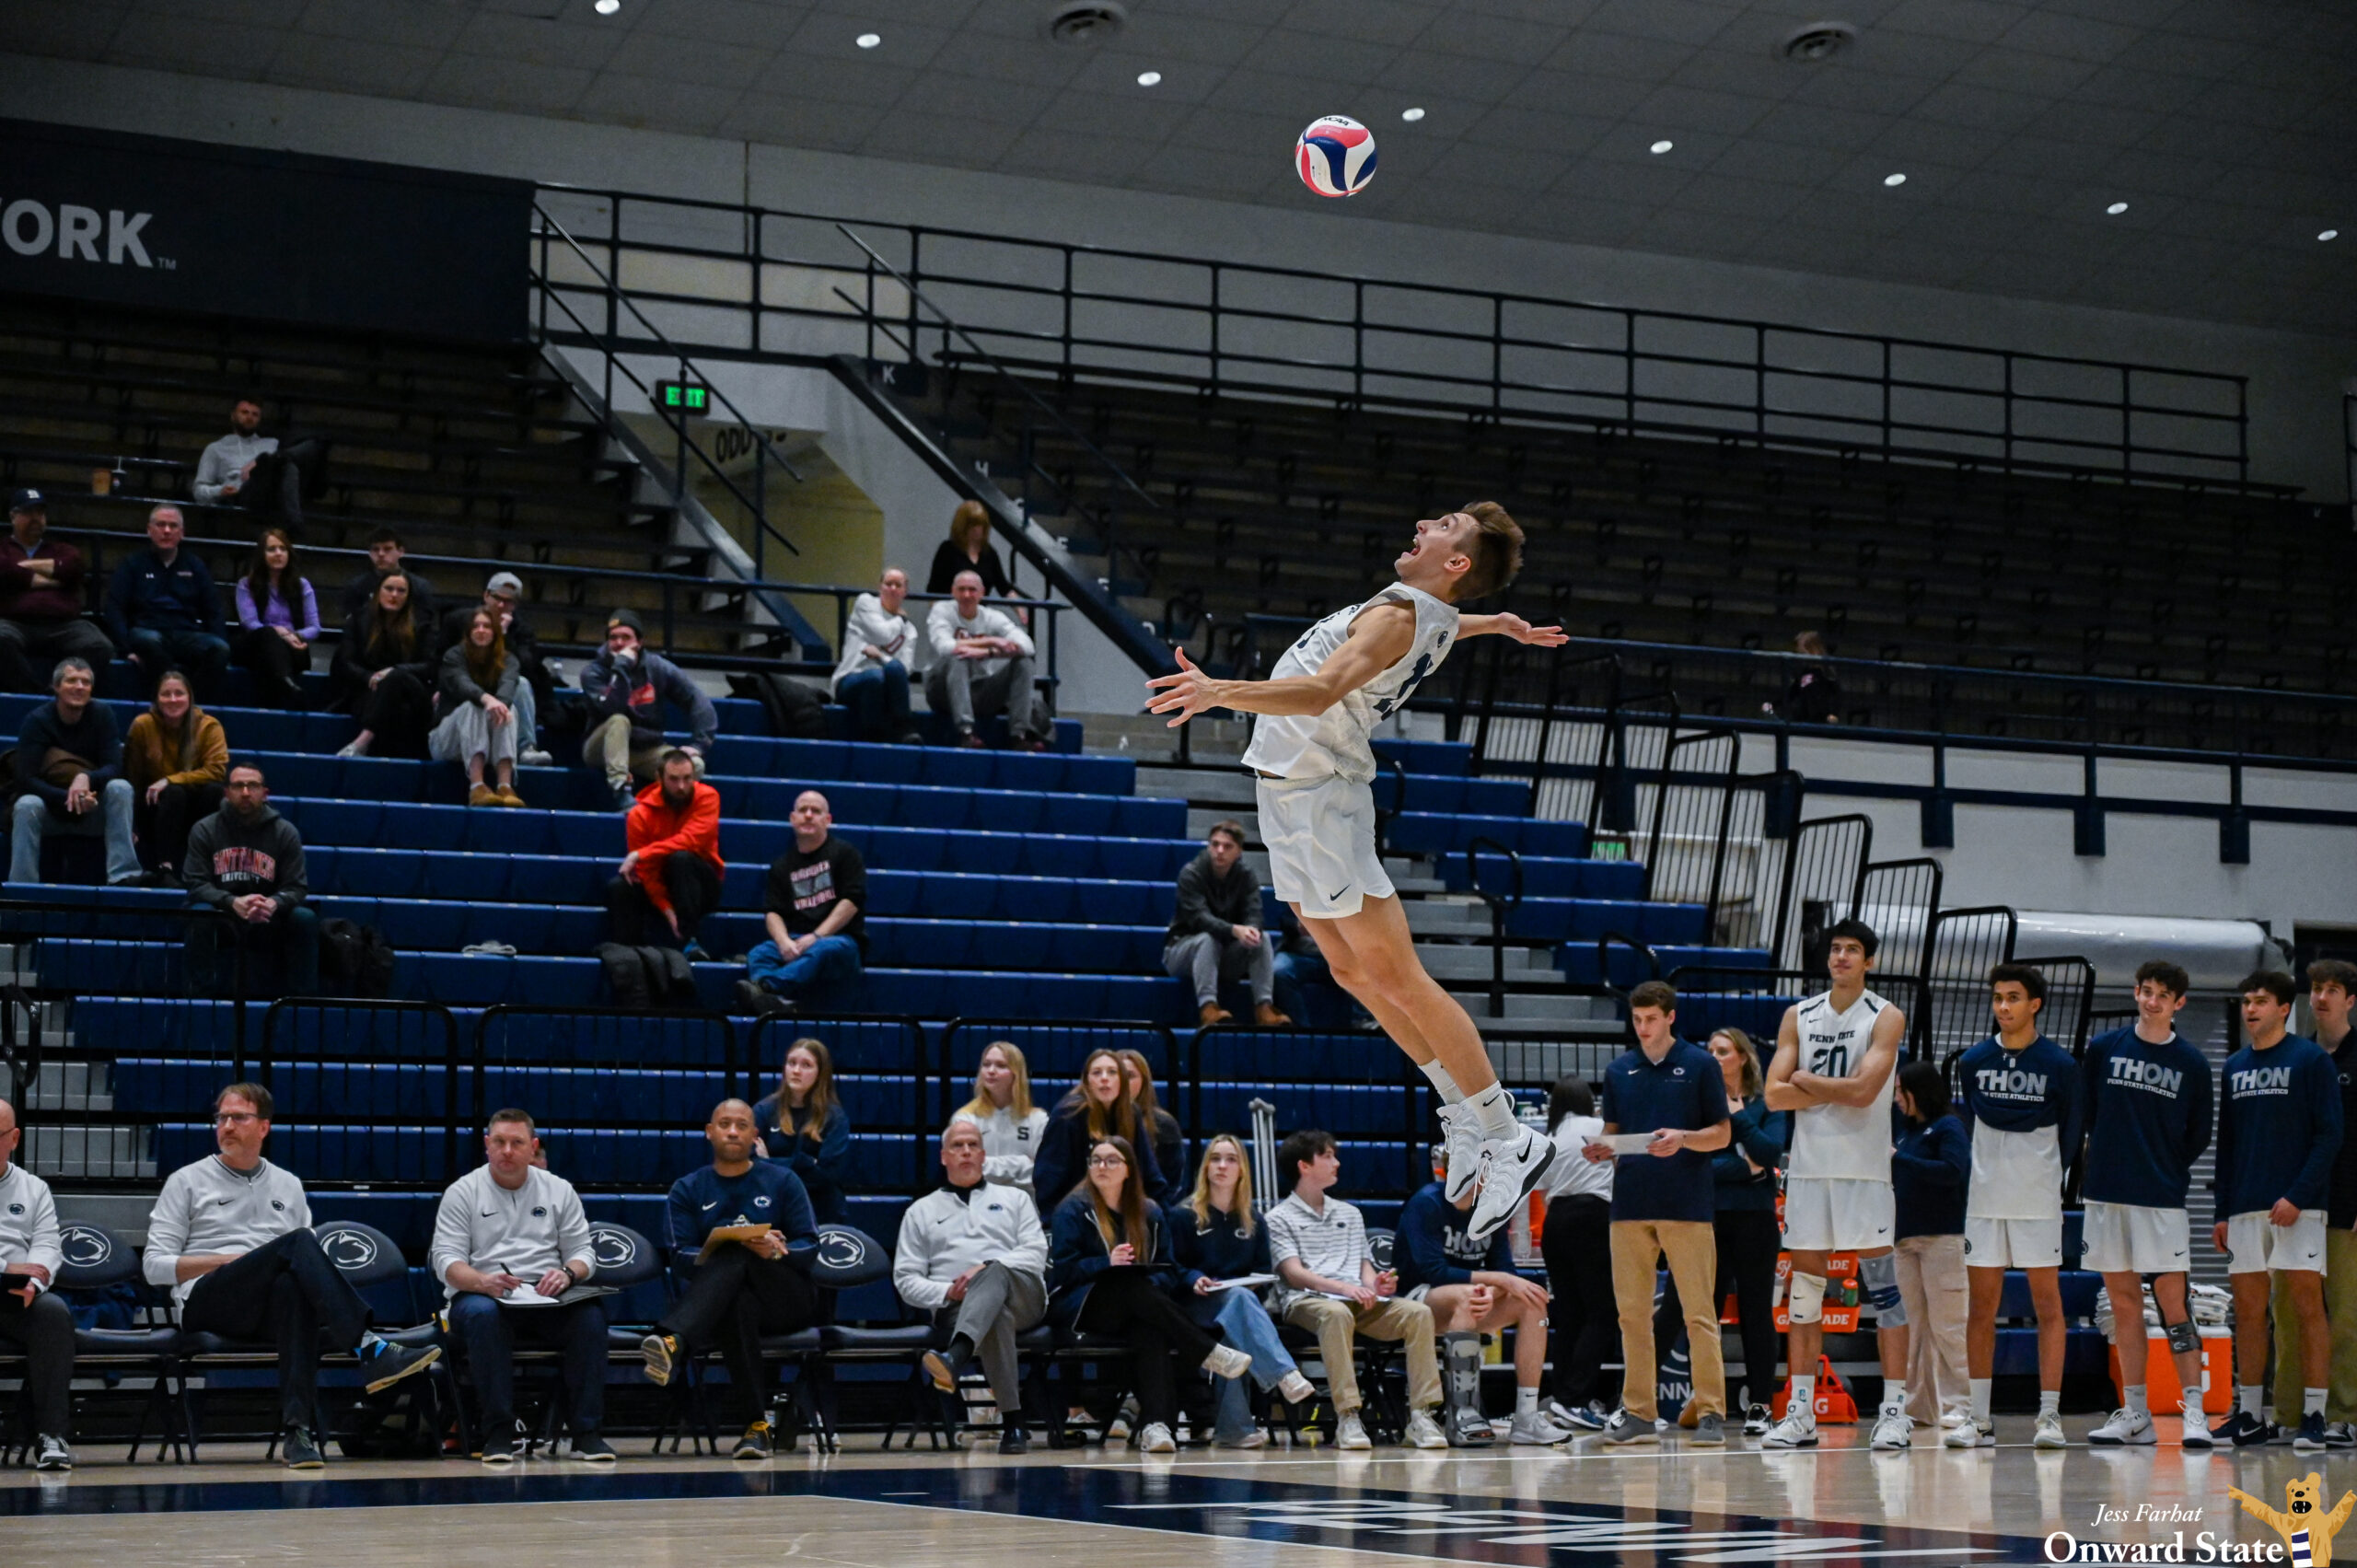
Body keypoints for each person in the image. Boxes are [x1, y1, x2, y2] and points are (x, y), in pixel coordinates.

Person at [1145, 505, 1566, 1245]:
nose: (1424, 522)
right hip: (1291, 791)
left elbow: (1318, 692)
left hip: (1323, 796)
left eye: (1446, 523)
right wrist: (1497, 622)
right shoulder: (1428, 613)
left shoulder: (1399, 615)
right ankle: (1462, 1107)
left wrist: (1219, 691)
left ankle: (1508, 1132)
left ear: (1457, 562)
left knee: (1400, 977)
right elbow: (1444, 625)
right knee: (1347, 970)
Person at [143, 1082, 440, 1468]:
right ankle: (369, 1346)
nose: (227, 1126)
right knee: (298, 1242)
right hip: (207, 1300)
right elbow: (154, 1267)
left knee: (292, 1290)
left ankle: (297, 1432)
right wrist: (227, 1260)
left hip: (267, 1305)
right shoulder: (185, 1180)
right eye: (222, 1117)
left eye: (238, 1117)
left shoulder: (288, 1184)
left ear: (264, 1127)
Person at [1761, 918, 1914, 1450]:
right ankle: (1800, 1412)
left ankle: (1894, 1412)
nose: (1841, 957)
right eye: (1835, 949)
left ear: (1869, 961)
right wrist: (1832, 1087)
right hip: (1809, 1171)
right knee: (1804, 1296)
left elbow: (1865, 1092)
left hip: (1864, 1171)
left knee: (1886, 1295)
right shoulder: (1798, 1015)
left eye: (1852, 950)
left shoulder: (1885, 1016)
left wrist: (1805, 1080)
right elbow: (1773, 1095)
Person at [1586, 980, 1730, 1446]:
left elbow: (1722, 1134)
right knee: (1631, 1315)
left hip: (1686, 1204)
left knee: (1698, 1314)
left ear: (1670, 1017)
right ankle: (1639, 1413)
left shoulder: (1701, 1064)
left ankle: (1711, 1411)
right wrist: (1602, 1149)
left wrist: (1684, 1138)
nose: (1643, 1028)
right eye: (1637, 1019)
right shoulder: (1619, 1070)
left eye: (1651, 1019)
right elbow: (1612, 1132)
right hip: (1630, 1204)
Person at [2077, 960, 2213, 1450]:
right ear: (2136, 992)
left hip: (2160, 1199)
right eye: (2146, 991)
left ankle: (2194, 1410)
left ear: (2179, 1003)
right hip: (2106, 1194)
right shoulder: (2104, 1049)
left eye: (2163, 995)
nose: (2152, 1001)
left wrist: (2163, 1168)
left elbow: (2198, 1134)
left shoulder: (2192, 1064)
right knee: (2123, 1304)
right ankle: (2136, 1413)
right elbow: (2089, 1114)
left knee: (2174, 1303)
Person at [1045, 1133, 1253, 1454]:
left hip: (1137, 1306)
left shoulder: (1150, 1212)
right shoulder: (1072, 1209)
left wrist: (1151, 1288)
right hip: (1081, 1306)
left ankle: (1157, 1427)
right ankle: (1206, 1351)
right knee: (1130, 1286)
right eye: (1096, 1160)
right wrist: (1106, 1263)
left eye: (1111, 1160)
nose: (1102, 1166)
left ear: (1128, 1169)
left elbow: (1168, 1269)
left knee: (1148, 1324)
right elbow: (1063, 1272)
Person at [638, 1098, 820, 1461]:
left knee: (738, 1251)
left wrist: (773, 1250)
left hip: (786, 1298)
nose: (733, 1132)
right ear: (710, 1132)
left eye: (741, 1125)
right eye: (724, 1124)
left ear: (755, 1135)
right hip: (724, 1304)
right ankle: (757, 1428)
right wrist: (726, 1244)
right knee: (737, 1299)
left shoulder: (783, 1180)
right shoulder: (688, 1189)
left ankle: (674, 1338)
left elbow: (811, 1246)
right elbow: (680, 1258)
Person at [429, 1109, 612, 1464]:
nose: (507, 1151)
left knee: (590, 1317)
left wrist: (567, 1273)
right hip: (483, 1294)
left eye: (517, 1142)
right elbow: (446, 1263)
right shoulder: (462, 1192)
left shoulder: (559, 1189)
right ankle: (498, 1432)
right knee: (483, 1316)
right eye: (499, 1142)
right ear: (486, 1145)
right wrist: (483, 1281)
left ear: (533, 1147)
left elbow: (584, 1254)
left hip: (545, 1295)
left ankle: (586, 1434)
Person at [1951, 963, 2081, 1450]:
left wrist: (2047, 1178)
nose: (2003, 1006)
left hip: (2037, 1201)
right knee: (1980, 1309)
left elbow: (2072, 1134)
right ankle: (1979, 1419)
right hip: (1985, 1202)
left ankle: (2049, 1415)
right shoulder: (1972, 1061)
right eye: (1998, 998)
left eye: (2013, 998)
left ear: (2035, 1005)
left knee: (2049, 1306)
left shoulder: (2061, 1066)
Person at [2212, 969, 2342, 1451]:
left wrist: (2298, 1196)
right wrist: (2222, 1210)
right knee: (2249, 1311)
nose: (2251, 1009)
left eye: (2261, 1001)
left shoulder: (2311, 1060)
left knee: (2308, 1308)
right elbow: (2227, 1144)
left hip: (2299, 1208)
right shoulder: (2234, 1066)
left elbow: (2329, 1135)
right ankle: (2250, 1414)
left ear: (2284, 1009)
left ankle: (2314, 1414)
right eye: (2247, 1001)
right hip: (2245, 1209)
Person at [1265, 1128, 1447, 1450]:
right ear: (1304, 1166)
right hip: (1307, 1302)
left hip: (1356, 1301)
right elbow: (1294, 1274)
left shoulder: (1350, 1214)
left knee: (1418, 1313)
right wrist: (1346, 1289)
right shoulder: (1278, 1218)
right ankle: (1348, 1417)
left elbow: (1364, 1269)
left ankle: (1422, 1416)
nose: (1336, 1163)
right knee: (1336, 1314)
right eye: (1327, 1156)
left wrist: (1375, 1284)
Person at [1396, 1144, 1567, 1446]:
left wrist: (1492, 1290)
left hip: (1470, 1296)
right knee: (1468, 1296)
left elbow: (1505, 1269)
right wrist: (1494, 1283)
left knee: (1532, 1300)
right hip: (1417, 1301)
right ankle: (1463, 1411)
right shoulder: (1426, 1203)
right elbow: (1434, 1271)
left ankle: (1526, 1416)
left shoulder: (1492, 1209)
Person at [898, 1120, 1049, 1454]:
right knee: (995, 1316)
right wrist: (946, 1292)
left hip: (1024, 1295)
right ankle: (1014, 1425)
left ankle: (955, 1357)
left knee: (993, 1272)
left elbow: (1036, 1253)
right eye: (957, 1145)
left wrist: (986, 1267)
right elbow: (906, 1280)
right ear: (943, 1157)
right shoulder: (920, 1211)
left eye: (973, 1145)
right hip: (958, 1307)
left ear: (983, 1155)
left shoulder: (1016, 1198)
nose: (966, 1151)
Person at [1170, 1134, 1319, 1448]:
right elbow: (1171, 1267)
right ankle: (1284, 1374)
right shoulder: (1183, 1215)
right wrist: (1193, 1278)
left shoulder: (1254, 1220)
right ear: (1205, 1167)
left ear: (1242, 1170)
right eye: (1215, 1159)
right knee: (1239, 1303)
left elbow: (1264, 1272)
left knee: (1235, 1331)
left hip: (1238, 1310)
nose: (1222, 1166)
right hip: (1195, 1308)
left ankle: (1234, 1430)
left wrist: (1253, 1285)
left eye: (1231, 1159)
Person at [2284, 959, 2357, 1447]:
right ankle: (2291, 1412)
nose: (2321, 997)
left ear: (2350, 1000)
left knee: (2345, 1314)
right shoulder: (2300, 1057)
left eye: (2332, 989)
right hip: (2299, 1205)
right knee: (2290, 1312)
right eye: (2315, 988)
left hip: (2347, 1206)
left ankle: (2344, 1413)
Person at [1702, 1027, 1787, 1434]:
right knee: (1706, 1313)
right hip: (1710, 1219)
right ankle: (1707, 1403)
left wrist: (1737, 1117)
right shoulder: (1699, 1104)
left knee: (1757, 1314)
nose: (1714, 1057)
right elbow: (1696, 1166)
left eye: (1722, 1051)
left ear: (1742, 1057)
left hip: (1756, 1220)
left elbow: (1771, 1153)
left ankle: (1760, 1404)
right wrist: (1747, 1169)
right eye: (1709, 1050)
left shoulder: (1766, 1102)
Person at [183, 762, 319, 995]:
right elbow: (195, 882)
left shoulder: (285, 832)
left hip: (268, 917)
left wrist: (273, 903)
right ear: (226, 793)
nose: (245, 792)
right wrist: (231, 902)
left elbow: (297, 887)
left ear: (265, 793)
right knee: (200, 913)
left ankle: (300, 1001)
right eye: (238, 786)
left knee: (304, 918)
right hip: (224, 914)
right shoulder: (204, 829)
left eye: (252, 786)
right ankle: (199, 998)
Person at [8, 656, 139, 886]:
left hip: (92, 808)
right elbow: (26, 779)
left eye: (85, 682)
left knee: (121, 788)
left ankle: (123, 877)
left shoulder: (102, 714)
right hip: (51, 810)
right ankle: (23, 888)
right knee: (26, 805)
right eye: (72, 680)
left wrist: (86, 777)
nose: (79, 687)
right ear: (56, 686)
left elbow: (115, 766)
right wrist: (69, 798)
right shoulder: (37, 720)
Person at [1893, 1060, 1971, 1442]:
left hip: (1942, 1238)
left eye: (1900, 1091)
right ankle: (1919, 1406)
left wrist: (1899, 1159)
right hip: (1905, 1240)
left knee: (1949, 1326)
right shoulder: (1906, 1131)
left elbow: (1953, 1171)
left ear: (1917, 1091)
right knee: (1913, 1328)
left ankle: (1962, 1407)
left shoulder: (1948, 1127)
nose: (1896, 1098)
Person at [737, 790, 864, 1016]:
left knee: (825, 949)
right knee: (759, 953)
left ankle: (766, 988)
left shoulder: (846, 854)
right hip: (797, 939)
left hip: (839, 941)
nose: (808, 815)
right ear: (792, 818)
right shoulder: (781, 865)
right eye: (803, 810)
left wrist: (817, 936)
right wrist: (784, 941)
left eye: (816, 811)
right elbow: (773, 912)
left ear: (828, 820)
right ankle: (776, 1002)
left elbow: (851, 902)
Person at [1538, 1074, 1616, 1433]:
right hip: (1593, 1216)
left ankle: (1562, 1396)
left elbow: (1540, 1190)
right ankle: (1576, 1398)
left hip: (1556, 1221)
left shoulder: (1547, 1137)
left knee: (1569, 1314)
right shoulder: (1600, 1128)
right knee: (1602, 1312)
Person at [578, 610, 716, 810]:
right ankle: (621, 789)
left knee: (695, 765)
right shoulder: (593, 672)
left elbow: (696, 699)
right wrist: (621, 667)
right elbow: (612, 707)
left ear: (640, 642)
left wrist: (699, 744)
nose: (619, 643)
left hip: (645, 750)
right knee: (619, 720)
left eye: (626, 637)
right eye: (613, 637)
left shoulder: (657, 667)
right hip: (602, 750)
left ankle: (666, 811)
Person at [0, 1097, 72, 1470]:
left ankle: (51, 1435)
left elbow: (47, 1246)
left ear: (14, 1139)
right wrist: (7, 1267)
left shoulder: (33, 1188)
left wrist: (33, 1283)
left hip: (16, 1295)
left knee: (53, 1312)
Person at [1164, 819, 1291, 1028]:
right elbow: (1199, 918)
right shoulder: (1191, 873)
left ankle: (1264, 1007)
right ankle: (1208, 1007)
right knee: (1207, 939)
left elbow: (1255, 913)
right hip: (1182, 950)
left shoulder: (1247, 876)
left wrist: (1251, 930)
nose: (1220, 851)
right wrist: (1234, 930)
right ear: (1208, 847)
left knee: (1262, 938)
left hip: (1224, 953)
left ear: (1239, 851)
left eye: (1227, 846)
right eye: (1215, 844)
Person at [0, 489, 114, 696]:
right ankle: (32, 695)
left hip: (63, 625)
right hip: (14, 623)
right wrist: (54, 576)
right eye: (28, 512)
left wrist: (20, 570)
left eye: (40, 513)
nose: (36, 518)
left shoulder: (62, 549)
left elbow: (73, 567)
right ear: (13, 516)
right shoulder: (3, 548)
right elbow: (3, 570)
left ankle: (58, 692)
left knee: (99, 645)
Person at [104, 505, 228, 694]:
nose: (167, 531)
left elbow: (213, 611)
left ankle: (191, 700)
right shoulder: (132, 564)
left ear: (182, 532)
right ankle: (169, 694)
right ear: (149, 530)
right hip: (147, 632)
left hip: (185, 634)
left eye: (173, 526)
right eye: (161, 525)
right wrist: (125, 649)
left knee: (220, 649)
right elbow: (114, 608)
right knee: (148, 641)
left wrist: (219, 638)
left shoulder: (195, 566)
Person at [610, 749, 722, 952]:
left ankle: (691, 942)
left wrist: (640, 854)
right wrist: (668, 911)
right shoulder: (640, 814)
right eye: (674, 779)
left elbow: (691, 841)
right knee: (620, 887)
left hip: (700, 884)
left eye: (687, 778)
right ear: (659, 778)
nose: (681, 786)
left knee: (681, 858)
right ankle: (631, 956)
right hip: (664, 883)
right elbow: (648, 872)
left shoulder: (708, 797)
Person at [1032, 1048, 1170, 1211]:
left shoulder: (1132, 1113)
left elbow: (1149, 1173)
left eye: (1112, 1072)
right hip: (1077, 1209)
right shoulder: (1068, 1114)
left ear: (1122, 1080)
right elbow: (1049, 1176)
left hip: (1124, 1208)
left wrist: (1161, 1214)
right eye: (1097, 1073)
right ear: (1087, 1081)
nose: (1104, 1078)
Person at [925, 570, 1049, 749]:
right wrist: (992, 641)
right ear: (953, 592)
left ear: (982, 593)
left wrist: (988, 653)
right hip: (941, 689)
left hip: (979, 689)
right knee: (959, 656)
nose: (967, 595)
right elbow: (945, 646)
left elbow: (1028, 646)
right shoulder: (941, 610)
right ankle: (966, 732)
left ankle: (1020, 735)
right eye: (961, 589)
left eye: (972, 590)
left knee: (1024, 662)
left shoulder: (992, 617)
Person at [124, 669, 228, 880]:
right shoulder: (143, 725)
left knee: (214, 791)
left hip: (196, 805)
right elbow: (132, 777)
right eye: (166, 694)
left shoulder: (209, 725)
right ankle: (166, 867)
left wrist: (169, 780)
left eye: (179, 693)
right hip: (155, 806)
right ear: (157, 699)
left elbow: (217, 770)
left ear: (189, 697)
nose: (173, 699)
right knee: (174, 794)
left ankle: (206, 867)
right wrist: (132, 824)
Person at [444, 573, 552, 766]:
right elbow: (442, 662)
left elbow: (526, 667)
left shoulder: (522, 631)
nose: (501, 605)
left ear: (515, 605)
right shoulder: (458, 620)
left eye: (508, 601)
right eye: (497, 598)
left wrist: (503, 636)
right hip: (464, 689)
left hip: (502, 689)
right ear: (486, 595)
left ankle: (526, 747)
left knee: (522, 684)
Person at [330, 572, 438, 759]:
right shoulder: (359, 619)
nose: (394, 595)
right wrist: (369, 677)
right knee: (400, 712)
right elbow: (346, 662)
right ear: (378, 591)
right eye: (389, 589)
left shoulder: (421, 623)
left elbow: (430, 666)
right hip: (370, 690)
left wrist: (395, 671)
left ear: (408, 596)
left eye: (401, 591)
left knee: (395, 678)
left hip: (410, 690)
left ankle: (362, 742)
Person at [431, 608, 525, 807]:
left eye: (487, 626)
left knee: (507, 709)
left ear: (496, 632)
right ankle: (477, 786)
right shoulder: (453, 656)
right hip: (446, 740)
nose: (481, 630)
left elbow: (508, 686)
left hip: (488, 741)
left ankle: (505, 786)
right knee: (473, 707)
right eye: (476, 626)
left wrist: (497, 703)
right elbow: (461, 684)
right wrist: (486, 699)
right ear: (468, 631)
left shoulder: (509, 659)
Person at [752, 1038, 853, 1225]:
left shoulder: (834, 1117)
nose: (796, 1071)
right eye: (791, 1063)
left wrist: (769, 1162)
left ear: (820, 1073)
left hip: (821, 1212)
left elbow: (827, 1175)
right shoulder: (763, 1111)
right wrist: (806, 1163)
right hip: (774, 1208)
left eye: (806, 1065)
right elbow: (752, 1167)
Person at [192, 395, 324, 531]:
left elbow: (314, 444)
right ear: (233, 416)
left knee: (297, 458)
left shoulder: (271, 443)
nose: (250, 417)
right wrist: (220, 490)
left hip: (273, 492)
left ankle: (293, 521)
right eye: (245, 412)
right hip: (243, 493)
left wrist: (259, 461)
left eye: (255, 414)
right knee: (284, 464)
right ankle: (294, 523)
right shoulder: (216, 448)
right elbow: (198, 491)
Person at [831, 566, 923, 745]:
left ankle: (905, 728)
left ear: (905, 591)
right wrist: (900, 619)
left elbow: (905, 669)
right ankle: (872, 738)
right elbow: (882, 635)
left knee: (893, 668)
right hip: (850, 678)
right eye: (888, 584)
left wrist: (881, 657)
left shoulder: (910, 631)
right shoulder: (866, 603)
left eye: (898, 585)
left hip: (886, 686)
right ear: (880, 587)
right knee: (875, 677)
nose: (893, 589)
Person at [232, 528, 319, 709]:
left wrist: (294, 636)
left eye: (283, 548)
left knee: (273, 655)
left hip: (293, 646)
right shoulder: (246, 584)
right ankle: (286, 684)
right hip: (255, 645)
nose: (278, 553)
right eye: (271, 549)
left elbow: (314, 628)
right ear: (261, 555)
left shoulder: (302, 585)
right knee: (268, 636)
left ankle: (284, 684)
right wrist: (279, 632)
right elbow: (250, 623)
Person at [952, 1040, 1049, 1196]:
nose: (991, 1071)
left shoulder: (1038, 1119)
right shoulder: (965, 1119)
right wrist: (1022, 1163)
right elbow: (966, 1169)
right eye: (986, 1064)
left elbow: (1041, 1172)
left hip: (1025, 1203)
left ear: (1016, 1073)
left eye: (1001, 1065)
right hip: (978, 1201)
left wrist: (985, 1165)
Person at [1119, 1049, 1184, 1199]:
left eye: (1130, 1076)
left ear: (1144, 1081)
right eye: (1119, 1075)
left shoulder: (1163, 1124)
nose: (1123, 1082)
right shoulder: (1093, 1119)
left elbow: (1171, 1182)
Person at [337, 527, 436, 625]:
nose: (381, 554)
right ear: (370, 553)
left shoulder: (420, 586)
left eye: (387, 549)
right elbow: (351, 623)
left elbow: (424, 623)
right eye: (375, 549)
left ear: (401, 551)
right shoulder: (355, 586)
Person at [926, 499, 1016, 598]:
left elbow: (1004, 588)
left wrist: (1021, 607)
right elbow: (933, 590)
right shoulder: (947, 550)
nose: (977, 529)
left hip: (980, 607)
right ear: (962, 526)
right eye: (972, 525)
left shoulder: (990, 553)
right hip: (951, 606)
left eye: (981, 525)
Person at [1767, 630, 1842, 725]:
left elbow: (1836, 693)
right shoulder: (1804, 673)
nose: (1799, 654)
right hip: (1804, 716)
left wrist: (1833, 713)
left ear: (1811, 649)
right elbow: (1792, 693)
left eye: (1802, 652)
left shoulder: (1825, 670)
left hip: (1821, 718)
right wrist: (1773, 704)